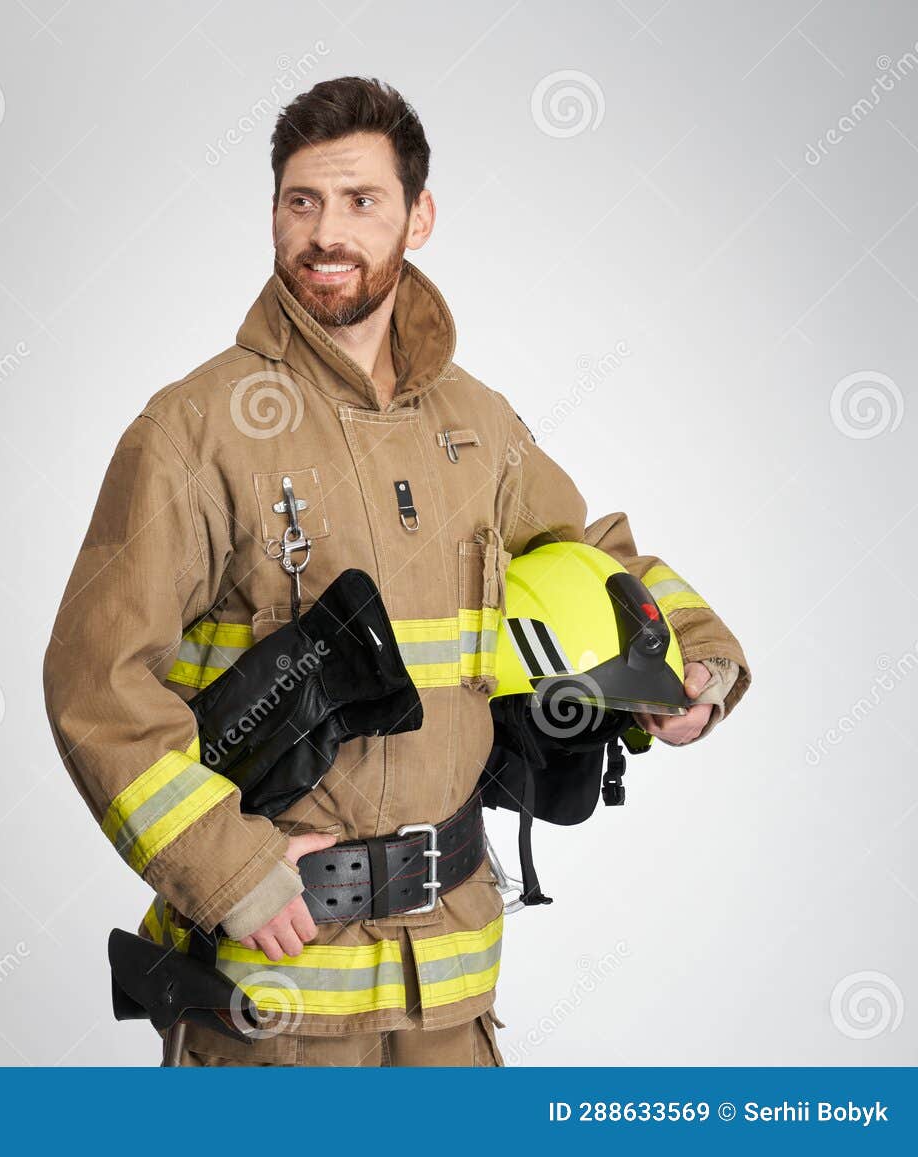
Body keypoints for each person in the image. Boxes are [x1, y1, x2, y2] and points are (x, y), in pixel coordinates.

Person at [41, 76, 749, 1067]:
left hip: (450, 994)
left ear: (418, 218)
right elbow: (96, 681)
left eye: (360, 201)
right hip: (273, 1009)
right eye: (301, 201)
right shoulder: (194, 431)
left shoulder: (477, 424)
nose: (325, 232)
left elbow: (585, 556)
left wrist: (693, 661)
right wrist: (224, 863)